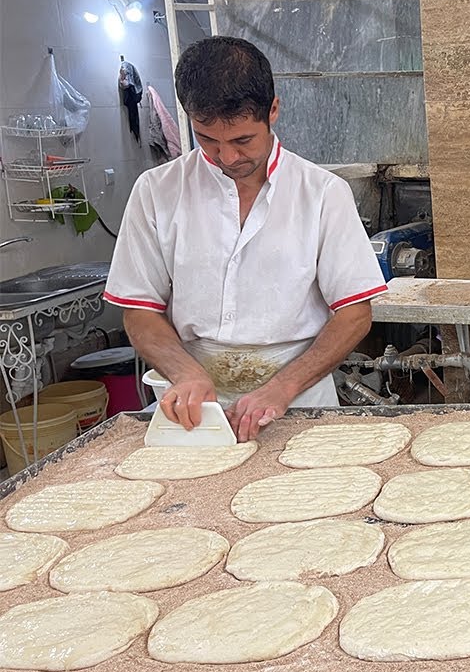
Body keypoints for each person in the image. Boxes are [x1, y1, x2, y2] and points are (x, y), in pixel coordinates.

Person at [104, 37, 387, 440]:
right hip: (195, 412)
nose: (228, 158)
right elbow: (139, 310)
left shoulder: (322, 193)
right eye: (207, 140)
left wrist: (282, 387)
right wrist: (185, 373)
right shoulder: (157, 191)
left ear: (273, 110)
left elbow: (355, 314)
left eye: (242, 141)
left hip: (300, 401)